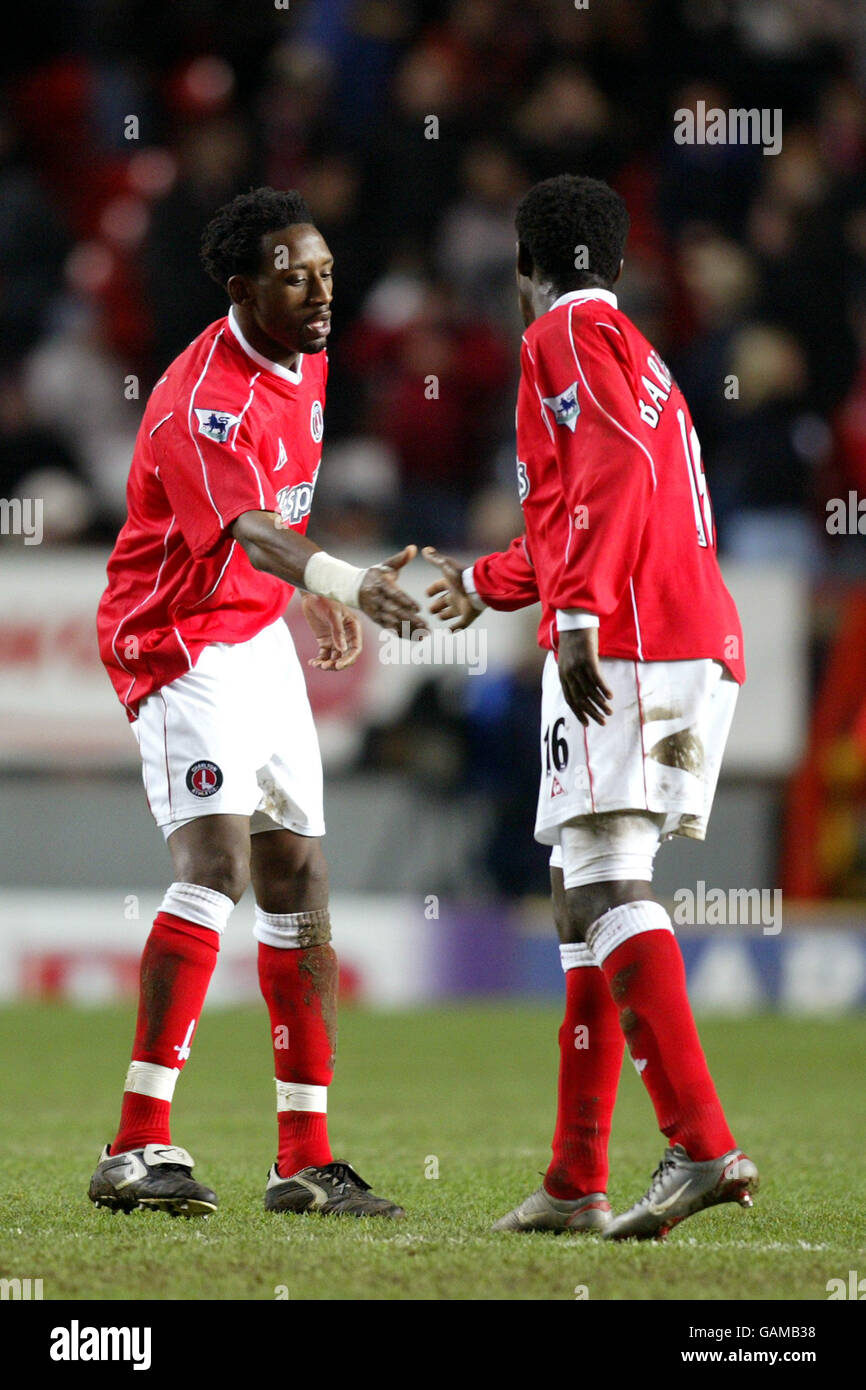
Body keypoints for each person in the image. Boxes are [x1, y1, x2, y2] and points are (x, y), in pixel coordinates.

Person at [424, 174, 758, 1241]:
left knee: (606, 877)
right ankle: (574, 1179)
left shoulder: (558, 338)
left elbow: (605, 479)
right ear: (611, 260)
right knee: (579, 896)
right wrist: (481, 582)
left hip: (627, 637)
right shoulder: (639, 355)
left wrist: (571, 618)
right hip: (675, 625)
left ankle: (698, 1141)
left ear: (527, 268)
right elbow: (588, 504)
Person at [93, 187, 425, 1220]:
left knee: (298, 873)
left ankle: (304, 1159)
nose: (319, 289)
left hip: (253, 628)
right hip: (177, 637)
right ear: (243, 290)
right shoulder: (205, 399)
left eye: (324, 268)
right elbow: (241, 520)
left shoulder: (310, 354)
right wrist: (342, 582)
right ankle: (135, 1146)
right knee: (218, 863)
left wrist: (300, 594)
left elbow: (282, 508)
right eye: (294, 274)